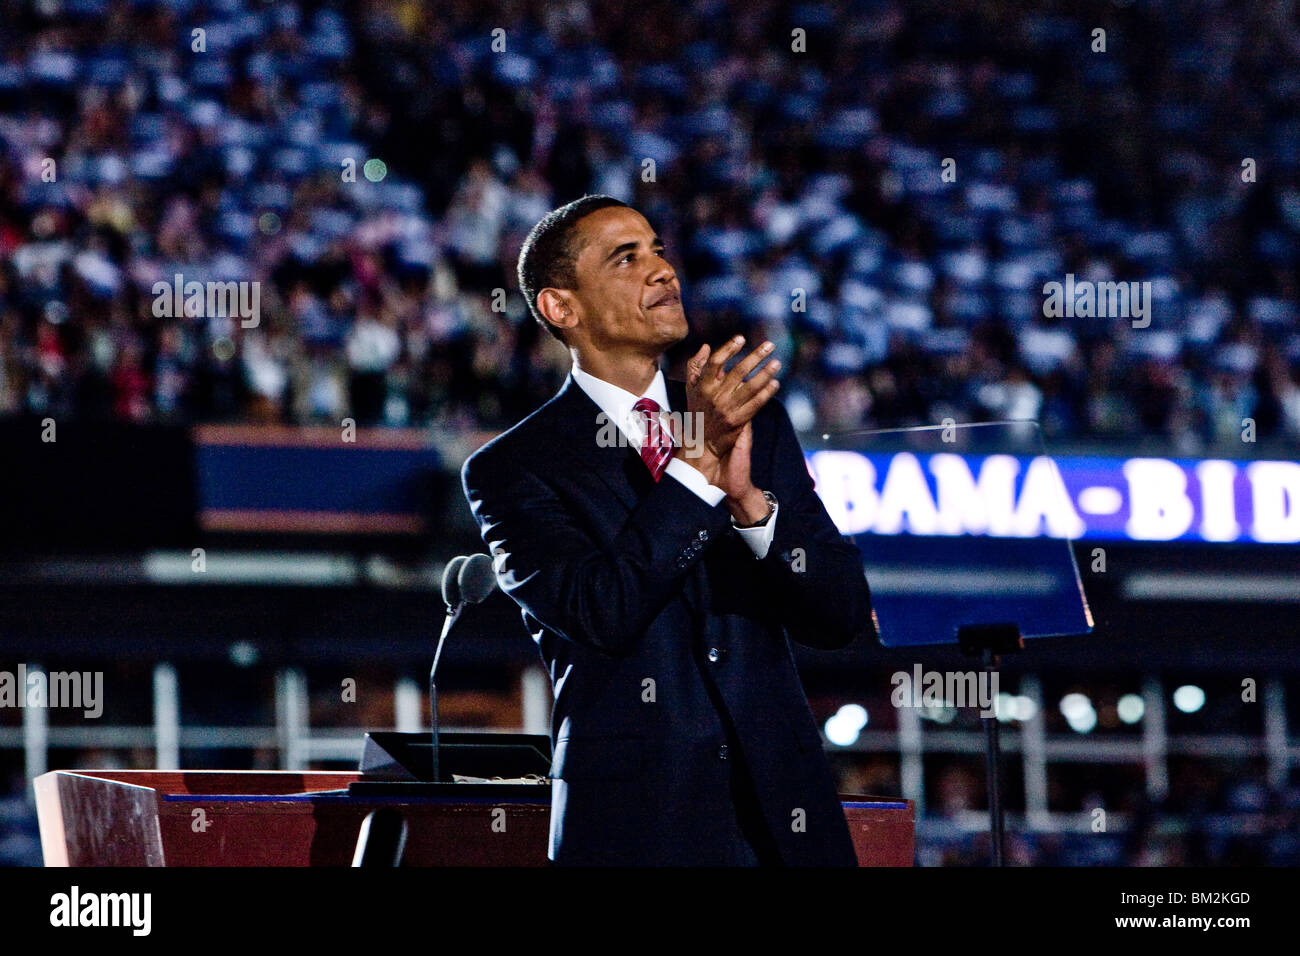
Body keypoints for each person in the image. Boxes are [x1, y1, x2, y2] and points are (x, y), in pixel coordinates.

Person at [461, 195, 877, 865]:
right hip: (637, 830)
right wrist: (696, 469)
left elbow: (840, 613)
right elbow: (602, 610)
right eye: (627, 258)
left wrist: (748, 504)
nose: (663, 270)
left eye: (658, 248)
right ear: (561, 308)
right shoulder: (512, 469)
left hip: (786, 824)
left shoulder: (751, 421)